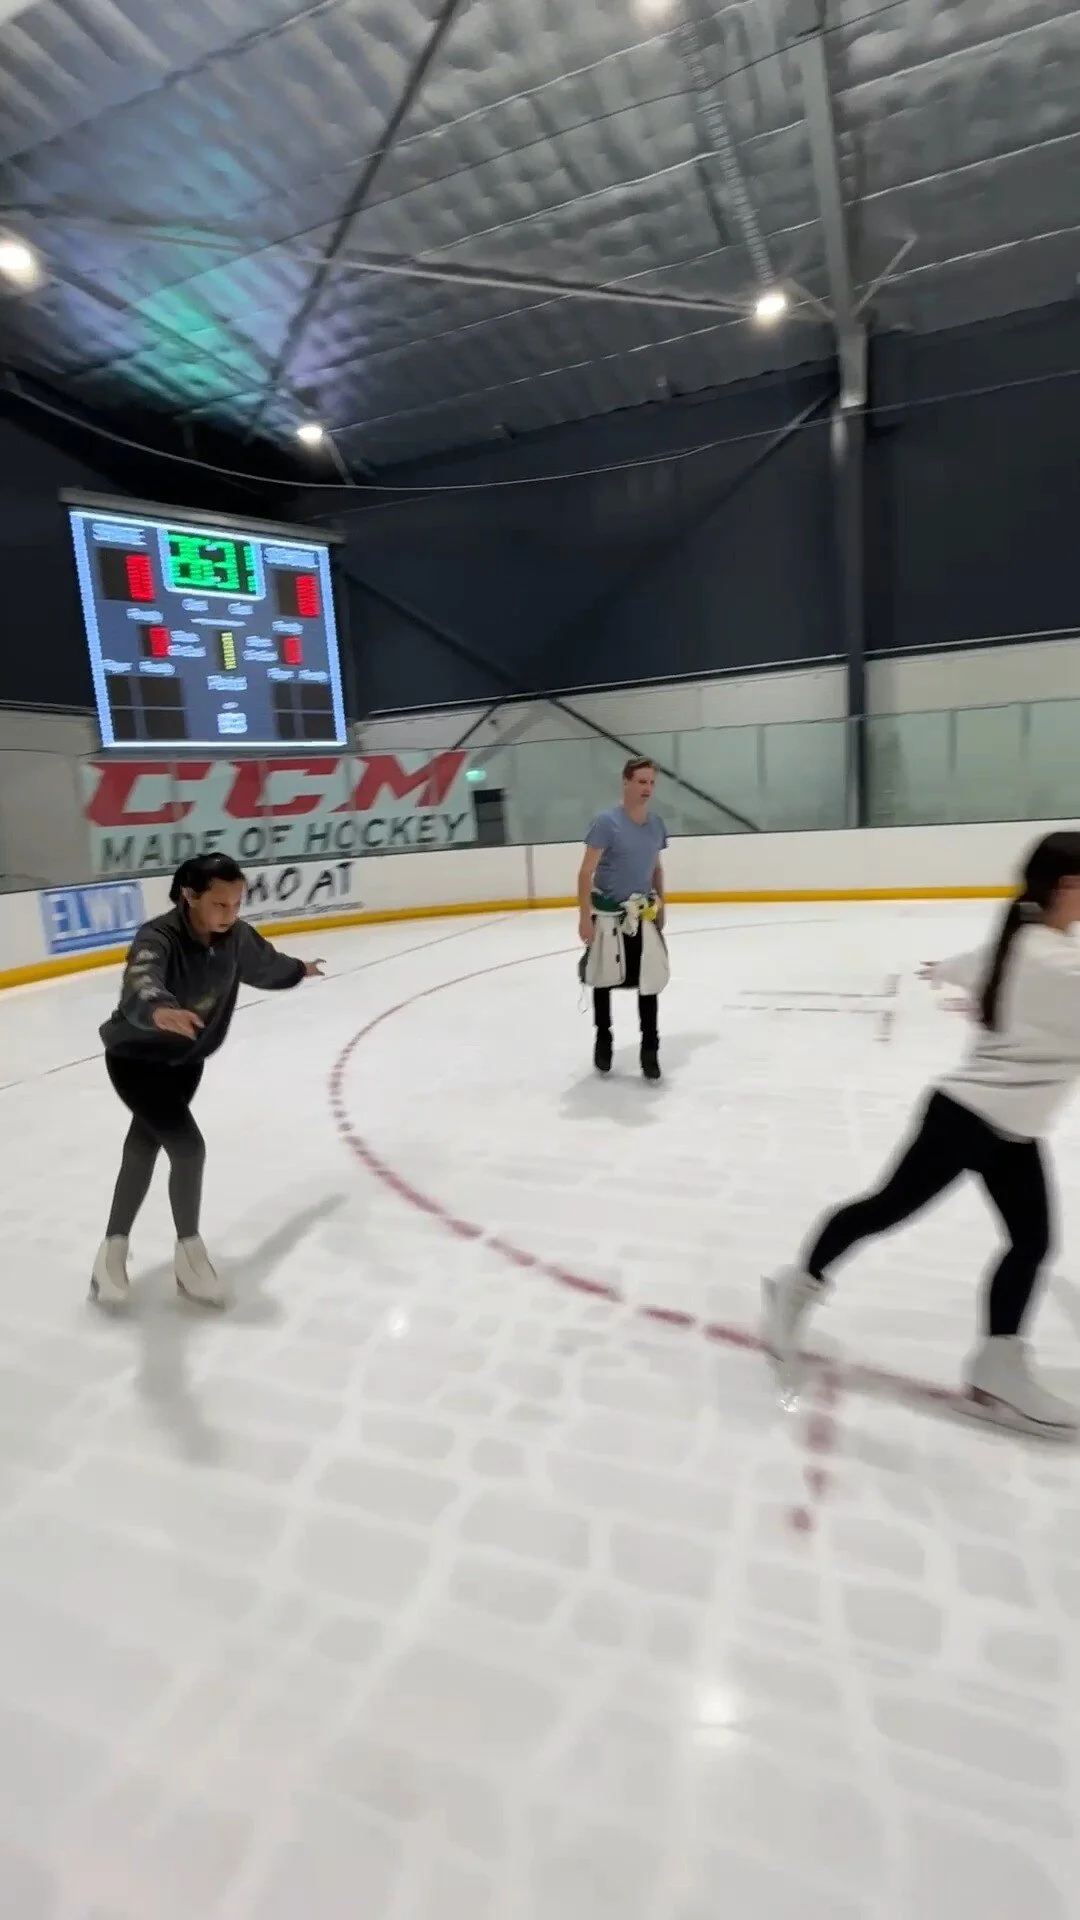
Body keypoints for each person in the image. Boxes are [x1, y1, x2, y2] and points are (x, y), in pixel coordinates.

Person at [763, 831, 1080, 1438]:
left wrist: (948, 970)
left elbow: (978, 963)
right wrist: (957, 972)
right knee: (883, 1211)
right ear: (1067, 887)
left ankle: (998, 1365)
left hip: (1010, 1126)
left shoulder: (1034, 943)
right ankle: (792, 1290)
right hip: (968, 1118)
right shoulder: (1053, 960)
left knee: (1032, 1242)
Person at [91, 853, 324, 1310]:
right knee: (187, 1147)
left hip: (186, 1060)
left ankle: (112, 1250)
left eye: (237, 904)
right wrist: (160, 1007)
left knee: (144, 1143)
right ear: (189, 896)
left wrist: (300, 969)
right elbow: (143, 977)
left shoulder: (234, 937)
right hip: (136, 1058)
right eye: (221, 905)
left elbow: (266, 963)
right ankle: (189, 1254)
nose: (231, 914)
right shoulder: (158, 937)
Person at [578, 756, 670, 1081]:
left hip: (643, 913)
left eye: (652, 783)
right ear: (626, 782)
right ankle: (604, 1038)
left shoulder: (656, 824)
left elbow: (656, 867)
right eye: (641, 781)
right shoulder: (607, 823)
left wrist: (663, 905)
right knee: (604, 978)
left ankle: (650, 1049)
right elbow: (586, 871)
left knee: (649, 981)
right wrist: (584, 918)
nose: (647, 788)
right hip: (607, 915)